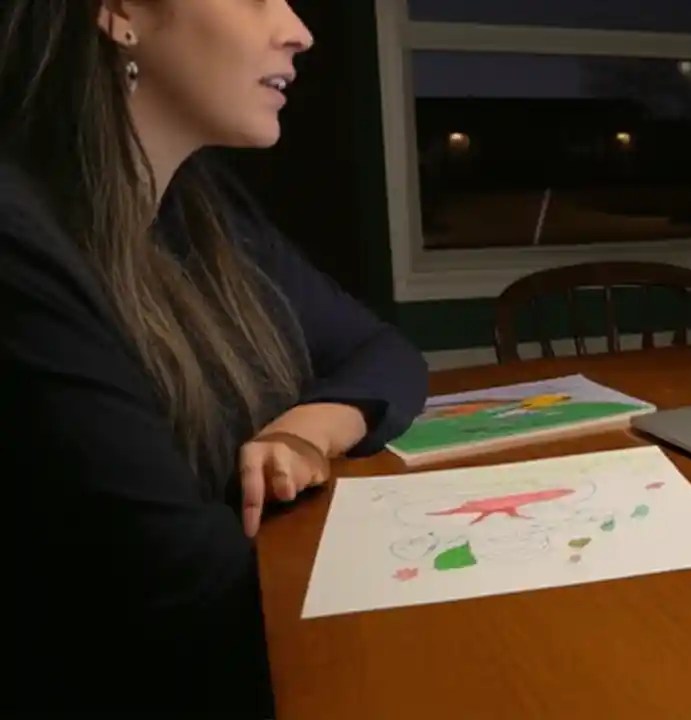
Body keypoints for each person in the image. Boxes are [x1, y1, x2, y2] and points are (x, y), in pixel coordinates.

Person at [0, 1, 429, 716]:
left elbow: (384, 351)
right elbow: (186, 595)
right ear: (120, 13)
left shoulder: (201, 215)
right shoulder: (20, 249)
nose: (299, 30)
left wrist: (307, 429)